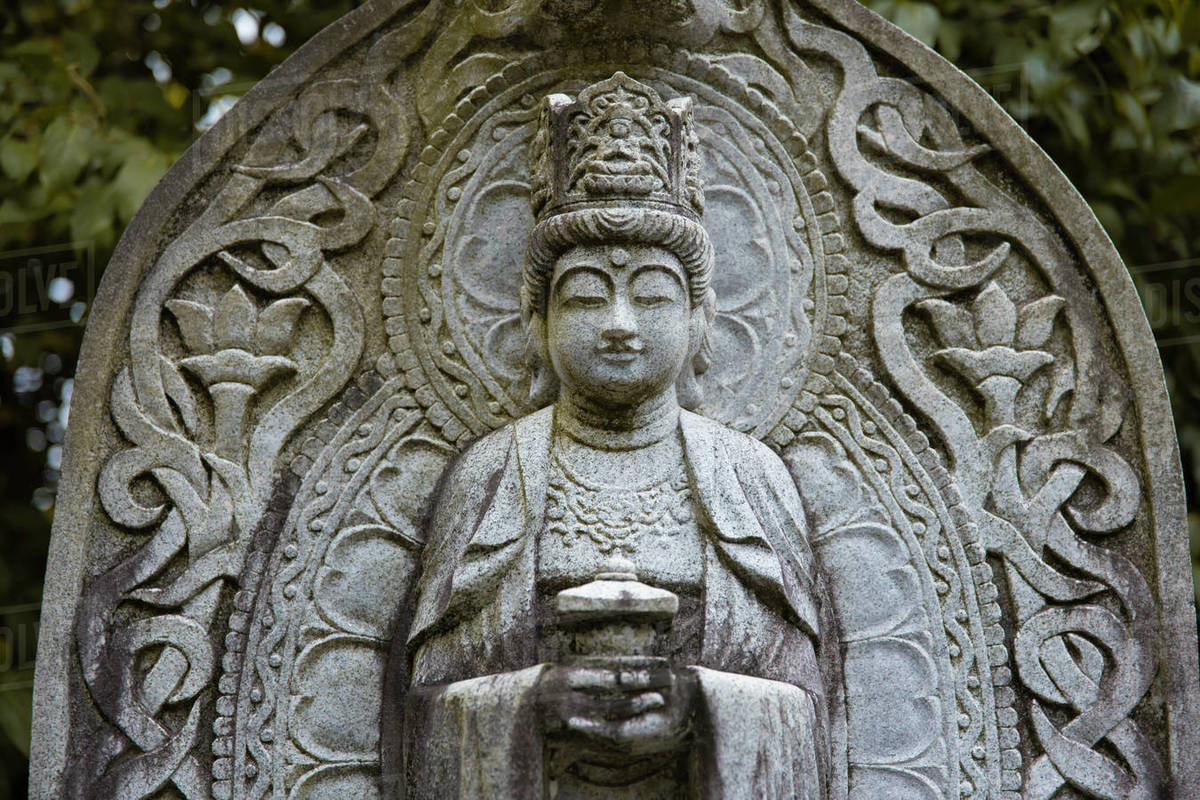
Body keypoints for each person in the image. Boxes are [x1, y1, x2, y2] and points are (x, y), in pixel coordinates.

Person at [401, 72, 829, 799]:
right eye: (587, 296)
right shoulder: (493, 475)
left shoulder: (749, 477)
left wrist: (703, 707)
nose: (621, 324)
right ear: (536, 325)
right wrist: (531, 702)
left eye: (655, 296)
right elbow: (429, 708)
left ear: (701, 321)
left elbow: (805, 709)